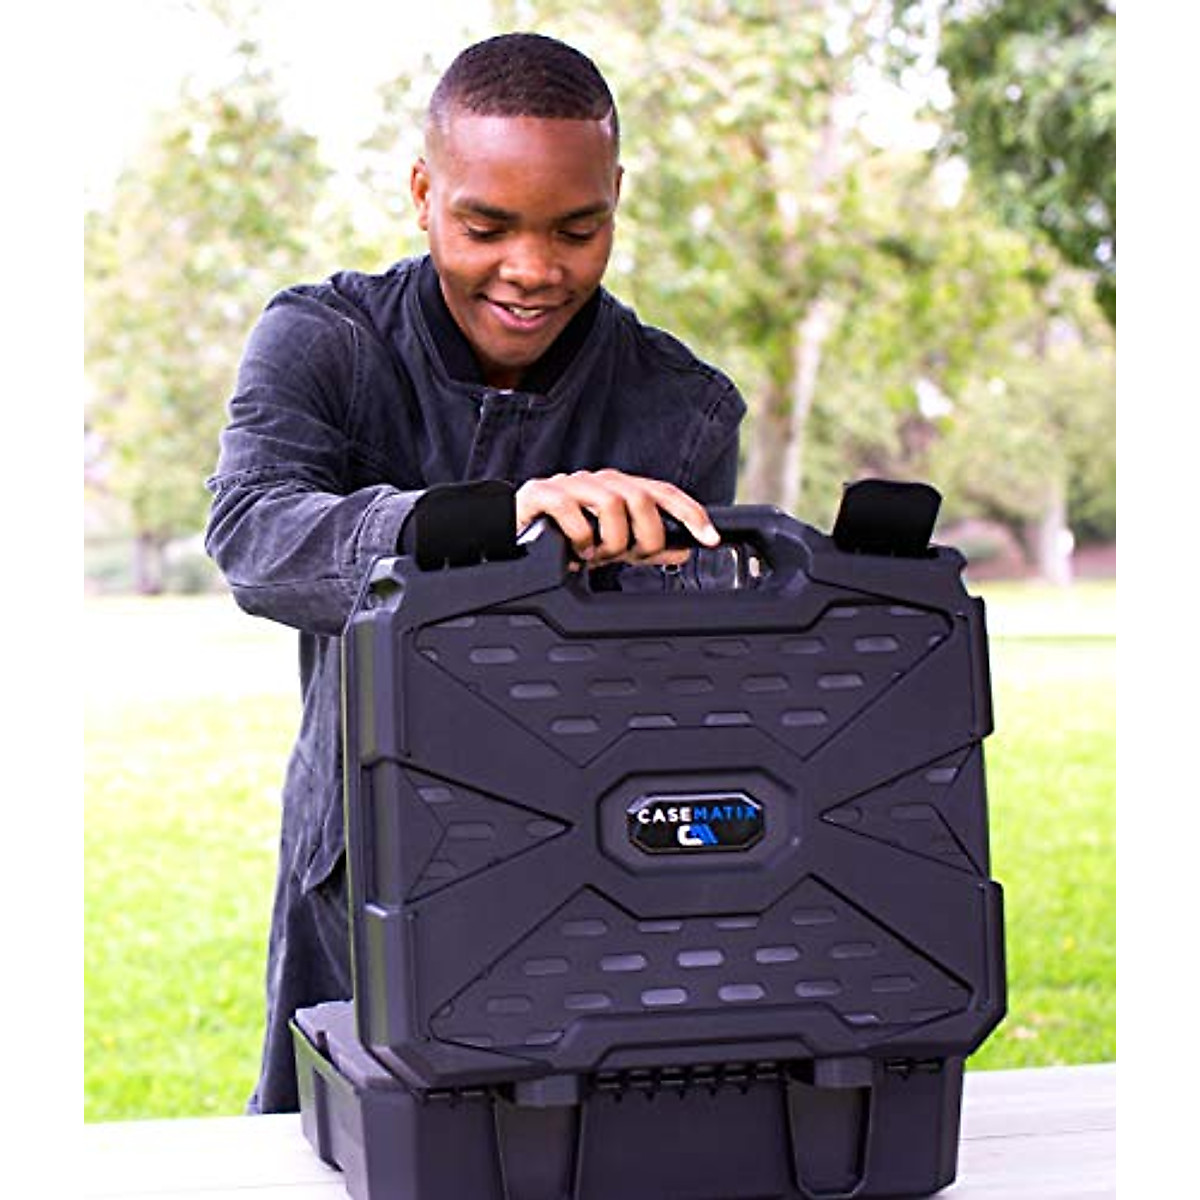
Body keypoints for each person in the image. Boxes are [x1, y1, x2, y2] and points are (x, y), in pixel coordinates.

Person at [204, 31, 746, 1114]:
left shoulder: (686, 410)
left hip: (605, 865)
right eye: (486, 226)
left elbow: (693, 683)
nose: (533, 270)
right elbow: (255, 536)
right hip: (353, 871)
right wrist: (501, 522)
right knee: (342, 1151)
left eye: (577, 229)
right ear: (423, 193)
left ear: (616, 199)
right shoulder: (322, 341)